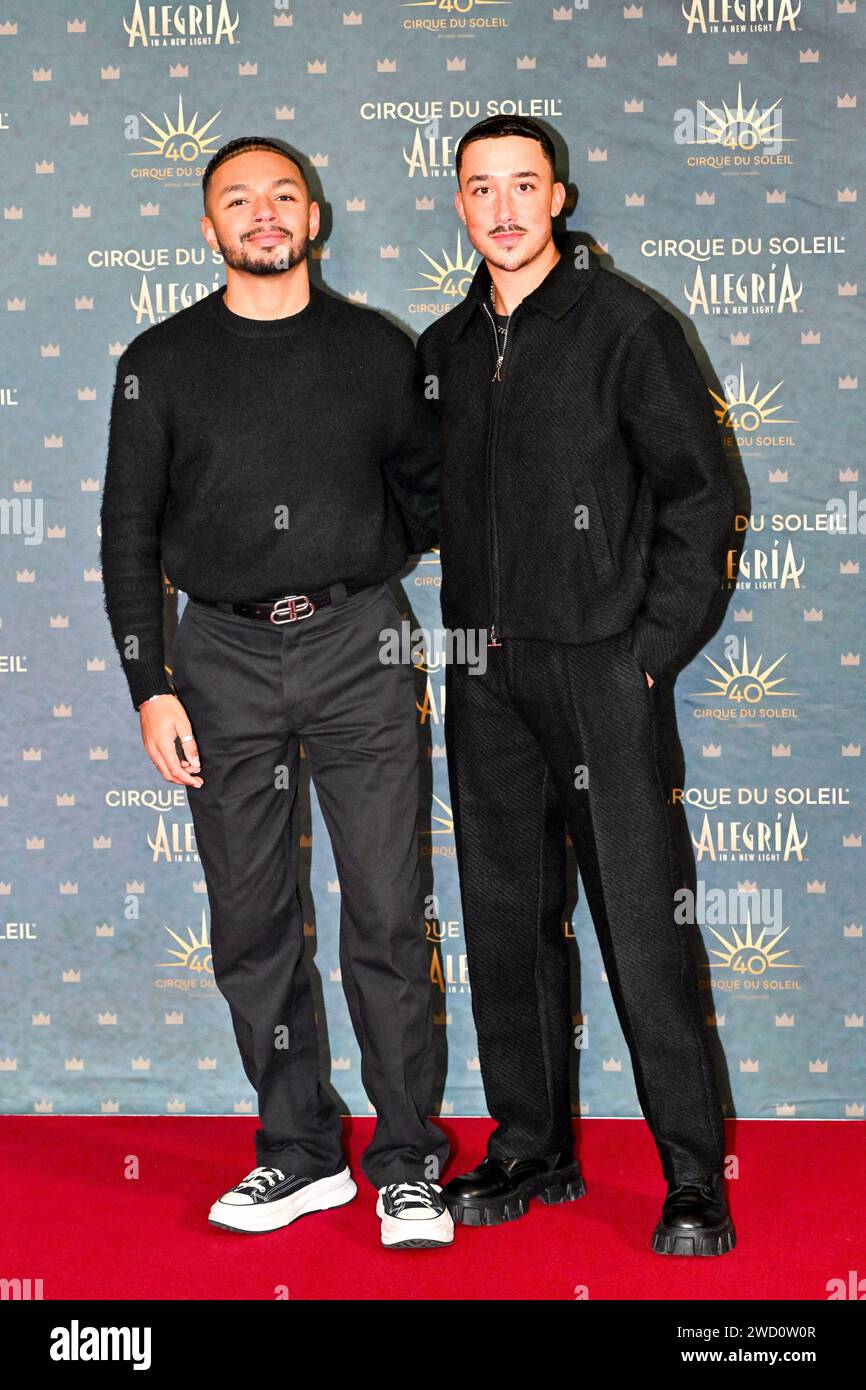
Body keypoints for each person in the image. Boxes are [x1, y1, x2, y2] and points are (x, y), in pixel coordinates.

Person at [100, 135, 452, 1249]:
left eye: (282, 196)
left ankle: (405, 1161)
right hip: (218, 661)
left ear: (315, 216)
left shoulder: (374, 350)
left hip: (359, 646)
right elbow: (126, 536)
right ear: (208, 230)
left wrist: (350, 574)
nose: (262, 214)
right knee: (252, 921)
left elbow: (425, 498)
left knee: (388, 916)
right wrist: (149, 685)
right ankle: (300, 1153)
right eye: (237, 201)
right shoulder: (159, 359)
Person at [417, 115, 738, 1256]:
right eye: (477, 188)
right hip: (483, 674)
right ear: (457, 203)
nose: (500, 208)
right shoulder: (446, 345)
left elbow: (703, 499)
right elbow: (423, 502)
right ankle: (530, 1145)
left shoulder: (626, 328)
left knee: (641, 931)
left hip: (599, 671)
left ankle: (691, 1178)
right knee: (505, 922)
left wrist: (641, 648)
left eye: (521, 185)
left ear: (557, 194)